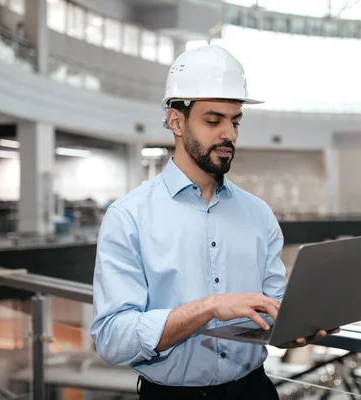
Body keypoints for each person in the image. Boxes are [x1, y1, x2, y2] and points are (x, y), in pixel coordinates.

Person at [90, 45, 337, 399]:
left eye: (235, 121)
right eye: (213, 120)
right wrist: (207, 308)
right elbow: (113, 339)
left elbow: (275, 310)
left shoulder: (258, 214)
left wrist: (304, 323)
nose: (229, 134)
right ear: (177, 121)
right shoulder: (128, 217)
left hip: (254, 391)